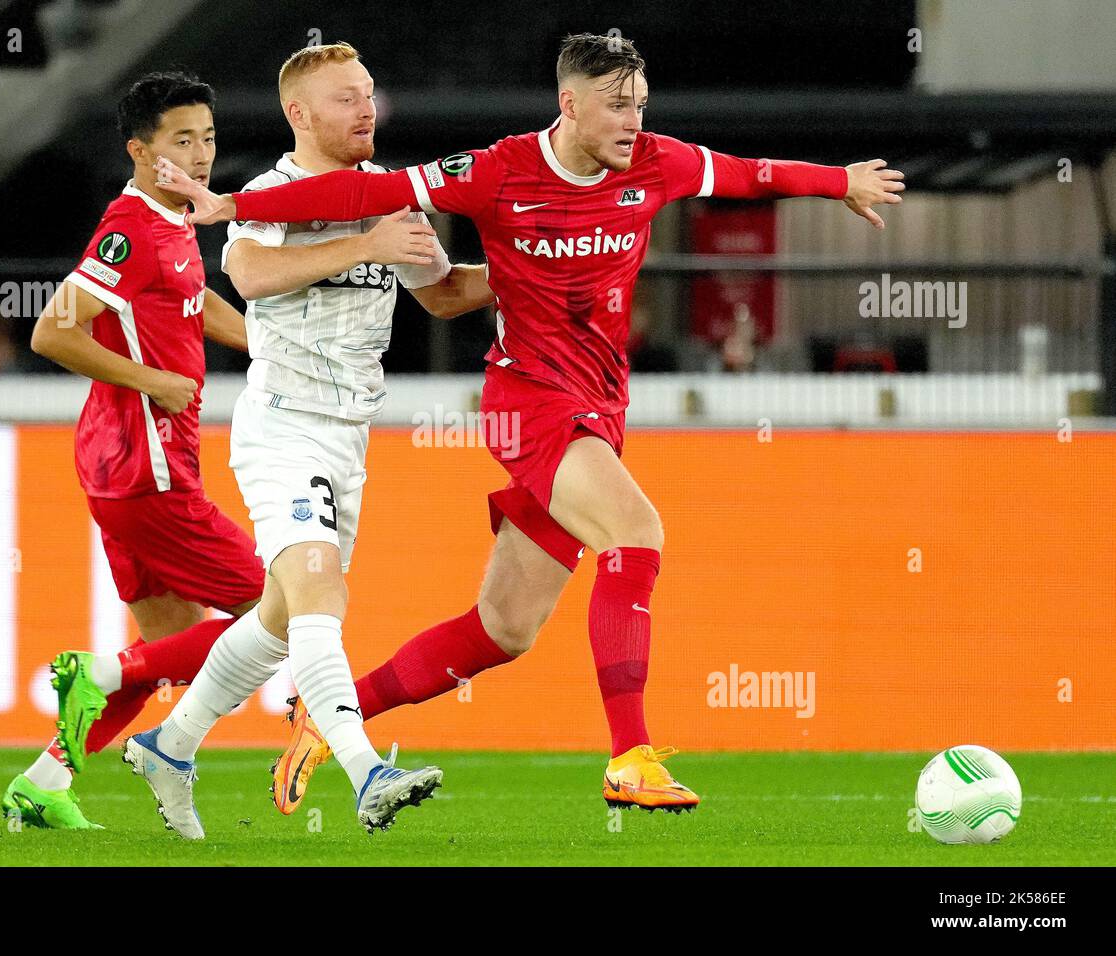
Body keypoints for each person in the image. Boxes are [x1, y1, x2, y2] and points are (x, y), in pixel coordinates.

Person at [157, 32, 904, 815]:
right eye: (618, 106)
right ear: (570, 103)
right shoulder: (495, 170)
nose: (633, 122)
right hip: (528, 402)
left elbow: (749, 175)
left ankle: (331, 714)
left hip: (600, 405)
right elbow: (358, 197)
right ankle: (630, 758)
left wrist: (837, 181)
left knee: (505, 628)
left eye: (641, 106)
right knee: (636, 532)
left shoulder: (658, 162)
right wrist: (233, 205)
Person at [120, 42, 495, 837]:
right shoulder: (269, 194)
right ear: (300, 113)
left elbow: (448, 295)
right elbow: (249, 276)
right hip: (283, 425)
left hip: (349, 438)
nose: (366, 110)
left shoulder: (394, 201)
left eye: (368, 94)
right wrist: (363, 246)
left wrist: (540, 270)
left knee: (281, 618)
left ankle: (170, 742)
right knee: (323, 593)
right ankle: (367, 772)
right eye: (346, 99)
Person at [1, 71, 266, 830]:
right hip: (145, 467)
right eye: (183, 140)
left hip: (126, 468)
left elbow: (188, 299)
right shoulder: (129, 230)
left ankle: (44, 779)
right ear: (140, 151)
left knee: (171, 647)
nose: (203, 153)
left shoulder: (175, 218)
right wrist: (154, 377)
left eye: (208, 138)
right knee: (275, 611)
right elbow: (52, 330)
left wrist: (262, 342)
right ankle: (97, 670)